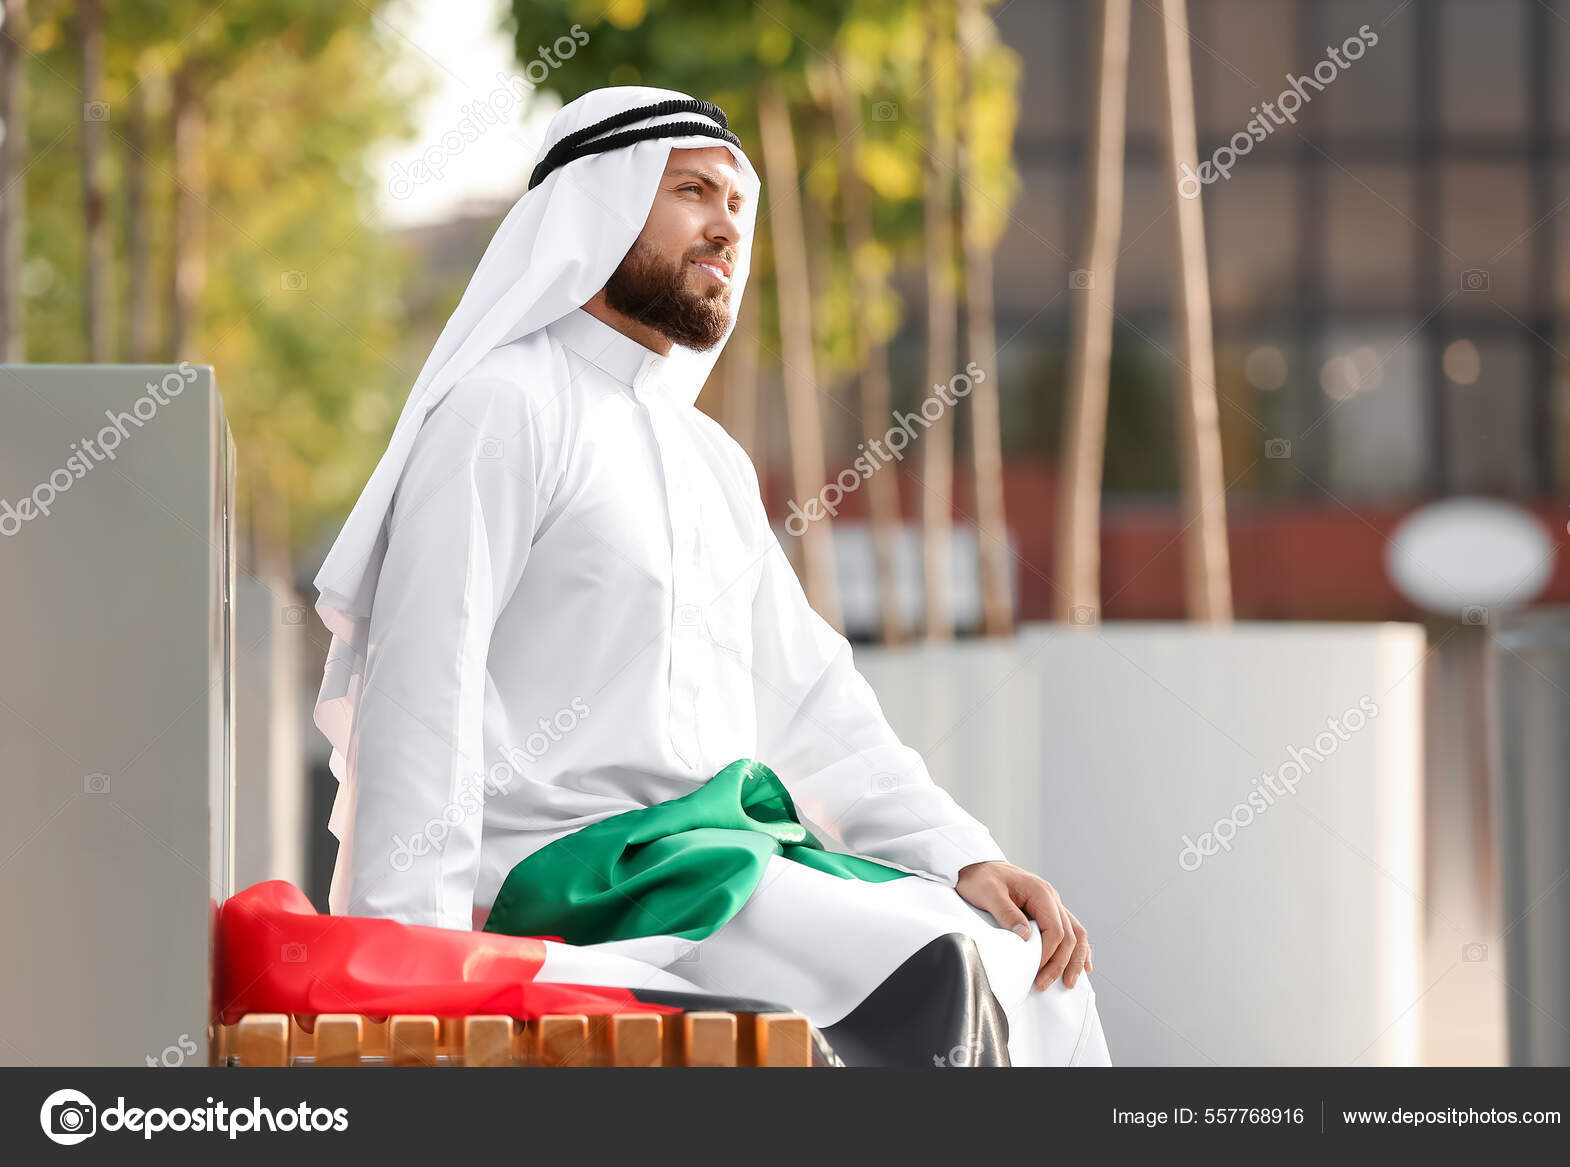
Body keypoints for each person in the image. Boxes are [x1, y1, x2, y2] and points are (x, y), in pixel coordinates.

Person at [310, 85, 1110, 1067]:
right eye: (693, 191)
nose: (726, 226)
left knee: (1027, 965)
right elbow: (420, 690)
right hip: (567, 871)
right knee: (934, 964)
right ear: (595, 206)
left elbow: (815, 700)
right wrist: (415, 963)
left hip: (712, 861)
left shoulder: (708, 458)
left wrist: (963, 854)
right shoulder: (505, 408)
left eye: (739, 207)